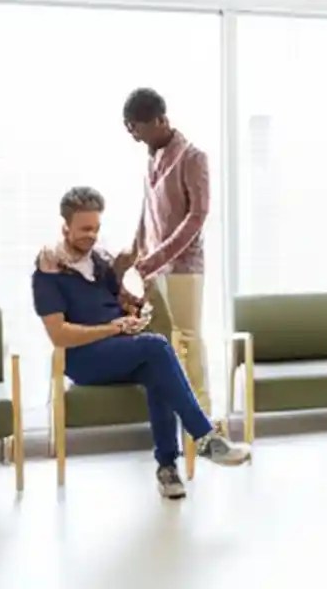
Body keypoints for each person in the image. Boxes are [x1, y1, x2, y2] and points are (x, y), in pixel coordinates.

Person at [33, 187, 251, 500]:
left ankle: (167, 467)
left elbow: (116, 303)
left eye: (96, 228)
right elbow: (59, 335)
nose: (91, 235)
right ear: (65, 226)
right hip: (83, 359)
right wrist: (112, 328)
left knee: (156, 371)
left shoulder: (98, 263)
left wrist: (132, 310)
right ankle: (205, 439)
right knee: (156, 347)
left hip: (115, 348)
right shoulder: (47, 272)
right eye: (84, 229)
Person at [118, 88, 216, 417]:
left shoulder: (192, 157)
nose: (133, 133)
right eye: (128, 127)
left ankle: (203, 420)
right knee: (163, 343)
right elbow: (147, 212)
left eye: (138, 126)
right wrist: (134, 253)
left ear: (161, 120)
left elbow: (197, 216)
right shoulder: (151, 158)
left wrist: (154, 259)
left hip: (184, 267)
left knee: (187, 338)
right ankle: (173, 415)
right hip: (153, 269)